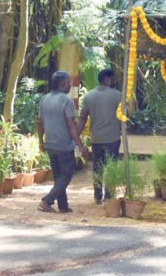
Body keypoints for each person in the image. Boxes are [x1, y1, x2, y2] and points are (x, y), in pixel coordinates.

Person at [37, 71, 89, 213]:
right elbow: (71, 126)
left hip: (50, 143)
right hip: (64, 144)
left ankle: (63, 206)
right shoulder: (66, 101)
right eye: (68, 83)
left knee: (59, 177)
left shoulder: (44, 99)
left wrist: (40, 141)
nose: (70, 86)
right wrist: (80, 145)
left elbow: (40, 123)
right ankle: (47, 200)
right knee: (67, 174)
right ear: (62, 84)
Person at [79, 69, 122, 204]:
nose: (115, 81)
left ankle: (98, 196)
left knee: (97, 167)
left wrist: (76, 135)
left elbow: (83, 118)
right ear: (107, 79)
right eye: (113, 79)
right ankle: (109, 196)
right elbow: (125, 115)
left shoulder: (88, 96)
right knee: (111, 167)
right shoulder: (118, 95)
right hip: (112, 138)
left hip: (96, 138)